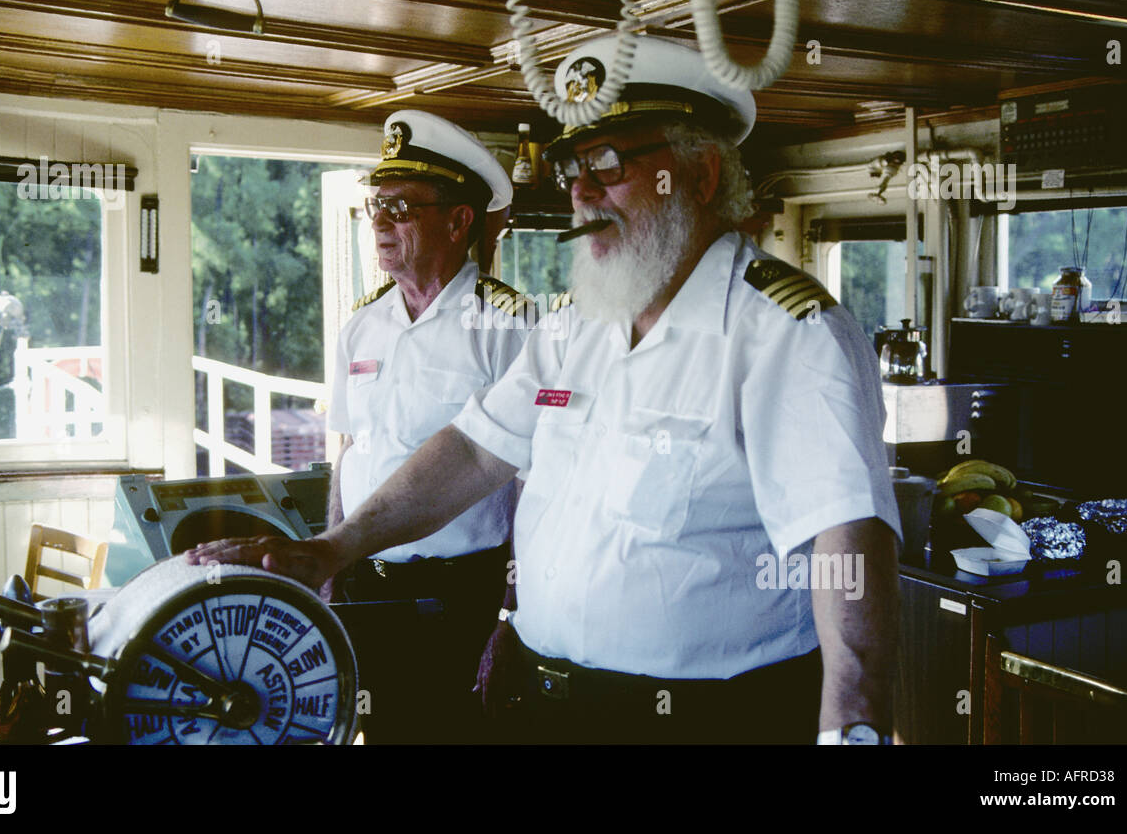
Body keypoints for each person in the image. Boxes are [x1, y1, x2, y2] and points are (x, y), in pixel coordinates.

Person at [190, 38, 902, 744]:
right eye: (572, 169)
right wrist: (333, 548)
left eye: (609, 166)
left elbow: (848, 543)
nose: (580, 192)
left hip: (706, 718)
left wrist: (856, 727)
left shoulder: (790, 333)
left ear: (701, 171)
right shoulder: (574, 329)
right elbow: (473, 451)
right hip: (551, 704)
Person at [320, 109, 531, 743]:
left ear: (459, 218)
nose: (380, 221)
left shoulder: (506, 324)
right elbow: (350, 450)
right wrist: (332, 563)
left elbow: (533, 478)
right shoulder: (361, 324)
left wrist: (511, 613)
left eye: (401, 208)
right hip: (365, 582)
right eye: (374, 206)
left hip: (462, 593)